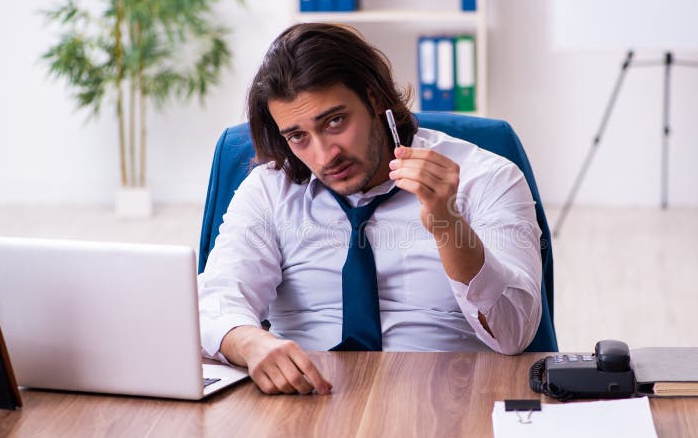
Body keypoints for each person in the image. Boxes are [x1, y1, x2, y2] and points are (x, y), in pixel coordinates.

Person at [198, 23, 543, 395]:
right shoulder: (270, 190)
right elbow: (214, 301)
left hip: (444, 395)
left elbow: (515, 333)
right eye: (298, 136)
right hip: (307, 397)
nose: (324, 155)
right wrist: (250, 342)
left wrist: (448, 224)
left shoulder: (487, 178)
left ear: (375, 98)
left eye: (335, 121)